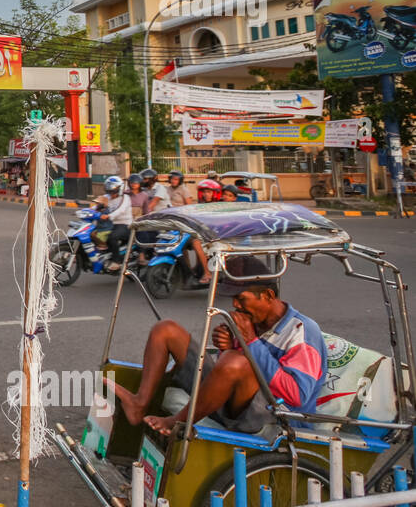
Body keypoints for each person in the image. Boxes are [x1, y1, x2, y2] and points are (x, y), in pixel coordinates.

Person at [112, 256, 327, 436]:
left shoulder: (302, 332)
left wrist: (250, 341)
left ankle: (178, 422)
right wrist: (228, 345)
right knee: (165, 330)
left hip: (274, 419)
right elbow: (233, 367)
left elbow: (297, 395)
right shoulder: (252, 320)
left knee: (235, 361)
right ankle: (139, 403)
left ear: (268, 296)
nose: (235, 305)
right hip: (230, 401)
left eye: (241, 298)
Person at [96, 175, 133, 270]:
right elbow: (96, 205)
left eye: (113, 192)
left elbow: (120, 210)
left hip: (124, 224)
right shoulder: (106, 197)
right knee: (93, 233)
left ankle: (116, 261)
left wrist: (109, 216)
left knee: (112, 237)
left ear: (119, 189)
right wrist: (87, 211)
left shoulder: (125, 198)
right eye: (109, 192)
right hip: (110, 224)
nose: (111, 194)